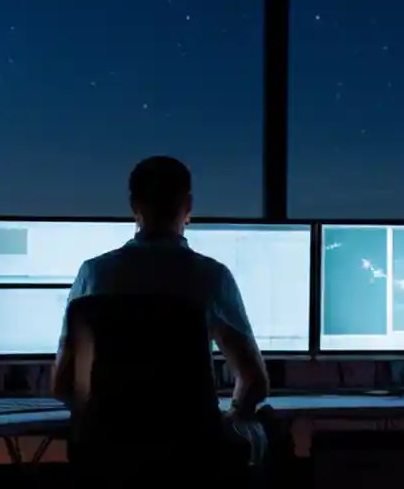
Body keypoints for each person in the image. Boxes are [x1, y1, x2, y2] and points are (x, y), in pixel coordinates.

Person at [50, 155, 270, 421]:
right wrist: (229, 419)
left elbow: (62, 385)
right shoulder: (212, 277)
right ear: (188, 206)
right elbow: (254, 382)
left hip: (107, 444)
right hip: (189, 443)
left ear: (134, 206)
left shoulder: (93, 274)